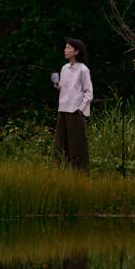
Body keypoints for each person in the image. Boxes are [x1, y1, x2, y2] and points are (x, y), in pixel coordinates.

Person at [52, 38, 92, 171]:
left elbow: (89, 93)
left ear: (76, 52)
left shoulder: (83, 70)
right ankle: (61, 170)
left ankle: (80, 173)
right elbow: (64, 88)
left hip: (74, 111)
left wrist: (80, 109)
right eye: (65, 47)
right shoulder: (64, 68)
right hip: (63, 109)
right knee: (60, 143)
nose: (65, 50)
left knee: (77, 145)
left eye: (68, 48)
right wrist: (57, 84)